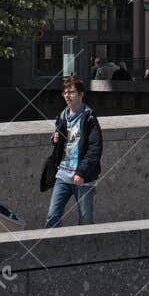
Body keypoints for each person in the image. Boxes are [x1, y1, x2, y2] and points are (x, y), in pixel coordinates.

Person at [45, 77, 103, 227]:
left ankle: (86, 249)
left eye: (71, 92)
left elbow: (95, 148)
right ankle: (53, 248)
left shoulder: (89, 117)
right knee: (52, 216)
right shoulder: (62, 116)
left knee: (86, 220)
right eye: (65, 92)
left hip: (82, 176)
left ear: (81, 94)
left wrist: (82, 172)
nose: (67, 95)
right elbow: (64, 142)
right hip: (63, 174)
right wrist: (55, 139)